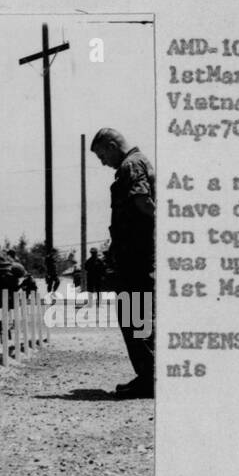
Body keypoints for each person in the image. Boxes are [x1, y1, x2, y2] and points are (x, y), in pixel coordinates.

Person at [90, 127, 155, 397]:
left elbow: (143, 203)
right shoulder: (134, 163)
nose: (102, 162)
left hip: (136, 257)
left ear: (112, 145)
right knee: (136, 314)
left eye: (101, 154)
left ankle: (151, 378)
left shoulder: (131, 165)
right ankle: (149, 376)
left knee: (136, 315)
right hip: (136, 255)